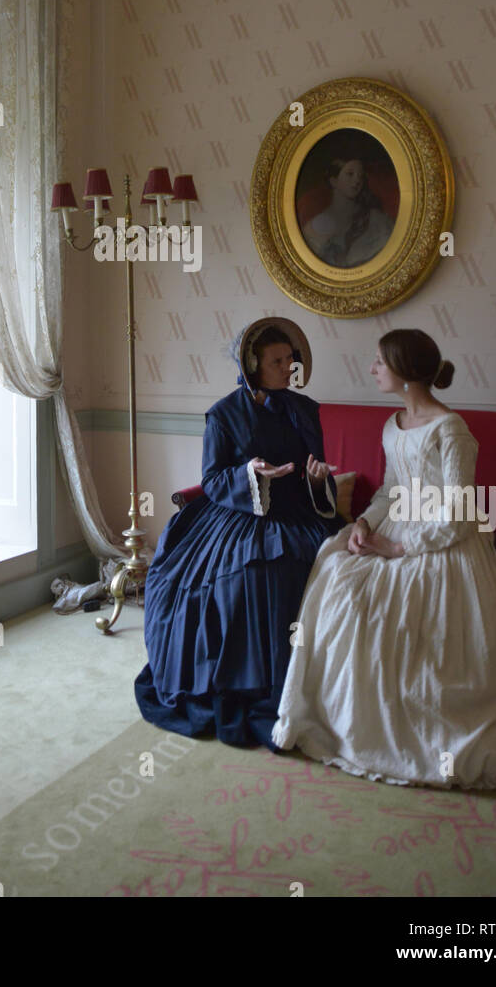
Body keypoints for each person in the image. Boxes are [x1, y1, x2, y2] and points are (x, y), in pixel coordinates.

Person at [271, 328, 496, 792]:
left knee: (406, 605)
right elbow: (390, 491)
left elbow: (461, 510)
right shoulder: (392, 424)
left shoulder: (450, 429)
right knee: (337, 566)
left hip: (443, 540)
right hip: (396, 525)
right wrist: (364, 524)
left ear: (401, 368)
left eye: (379, 361)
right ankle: (347, 718)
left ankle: (423, 727)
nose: (373, 369)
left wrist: (400, 548)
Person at [134, 317, 338, 748]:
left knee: (303, 564)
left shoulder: (303, 409)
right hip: (237, 512)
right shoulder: (224, 414)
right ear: (251, 365)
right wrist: (251, 473)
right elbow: (211, 479)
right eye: (277, 361)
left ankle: (310, 686)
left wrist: (317, 481)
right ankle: (251, 684)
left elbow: (314, 470)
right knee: (248, 574)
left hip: (296, 511)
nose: (288, 368)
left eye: (290, 359)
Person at [301, 156, 394, 268]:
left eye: (361, 176)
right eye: (350, 174)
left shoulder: (377, 221)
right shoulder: (313, 227)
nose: (357, 180)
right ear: (334, 181)